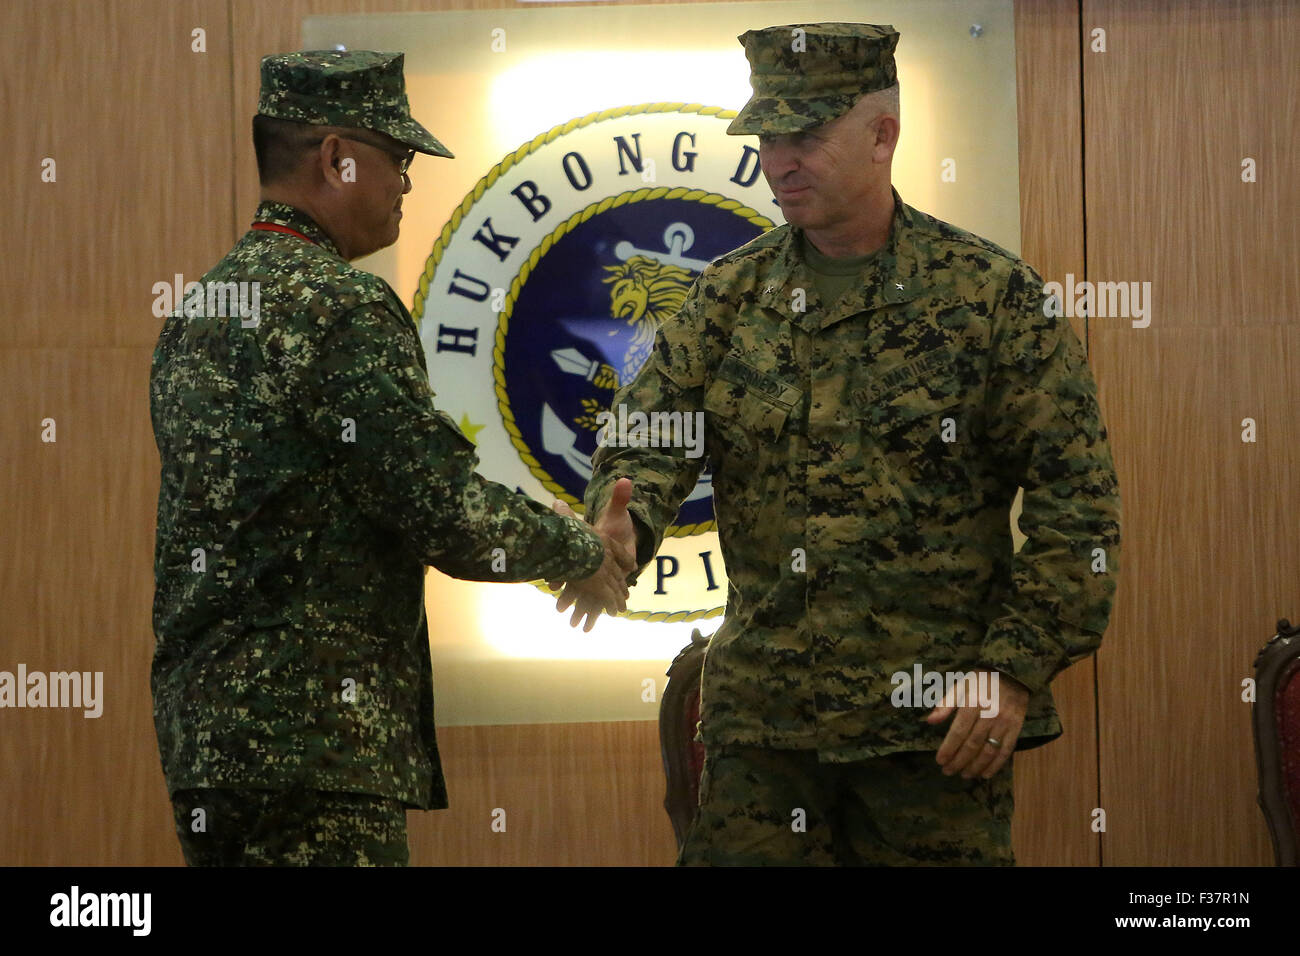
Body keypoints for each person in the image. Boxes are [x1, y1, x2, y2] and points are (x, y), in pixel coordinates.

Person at [557, 23, 1122, 865]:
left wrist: (1014, 668)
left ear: (882, 134)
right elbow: (651, 440)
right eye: (768, 137)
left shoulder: (990, 298)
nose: (780, 160)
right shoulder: (728, 297)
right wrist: (620, 530)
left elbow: (1078, 511)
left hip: (934, 730)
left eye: (808, 136)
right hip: (765, 733)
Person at [149, 50, 633, 866]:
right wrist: (582, 548)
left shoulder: (203, 305)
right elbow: (438, 508)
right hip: (315, 751)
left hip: (209, 746)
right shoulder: (337, 307)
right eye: (398, 160)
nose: (406, 183)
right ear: (338, 156)